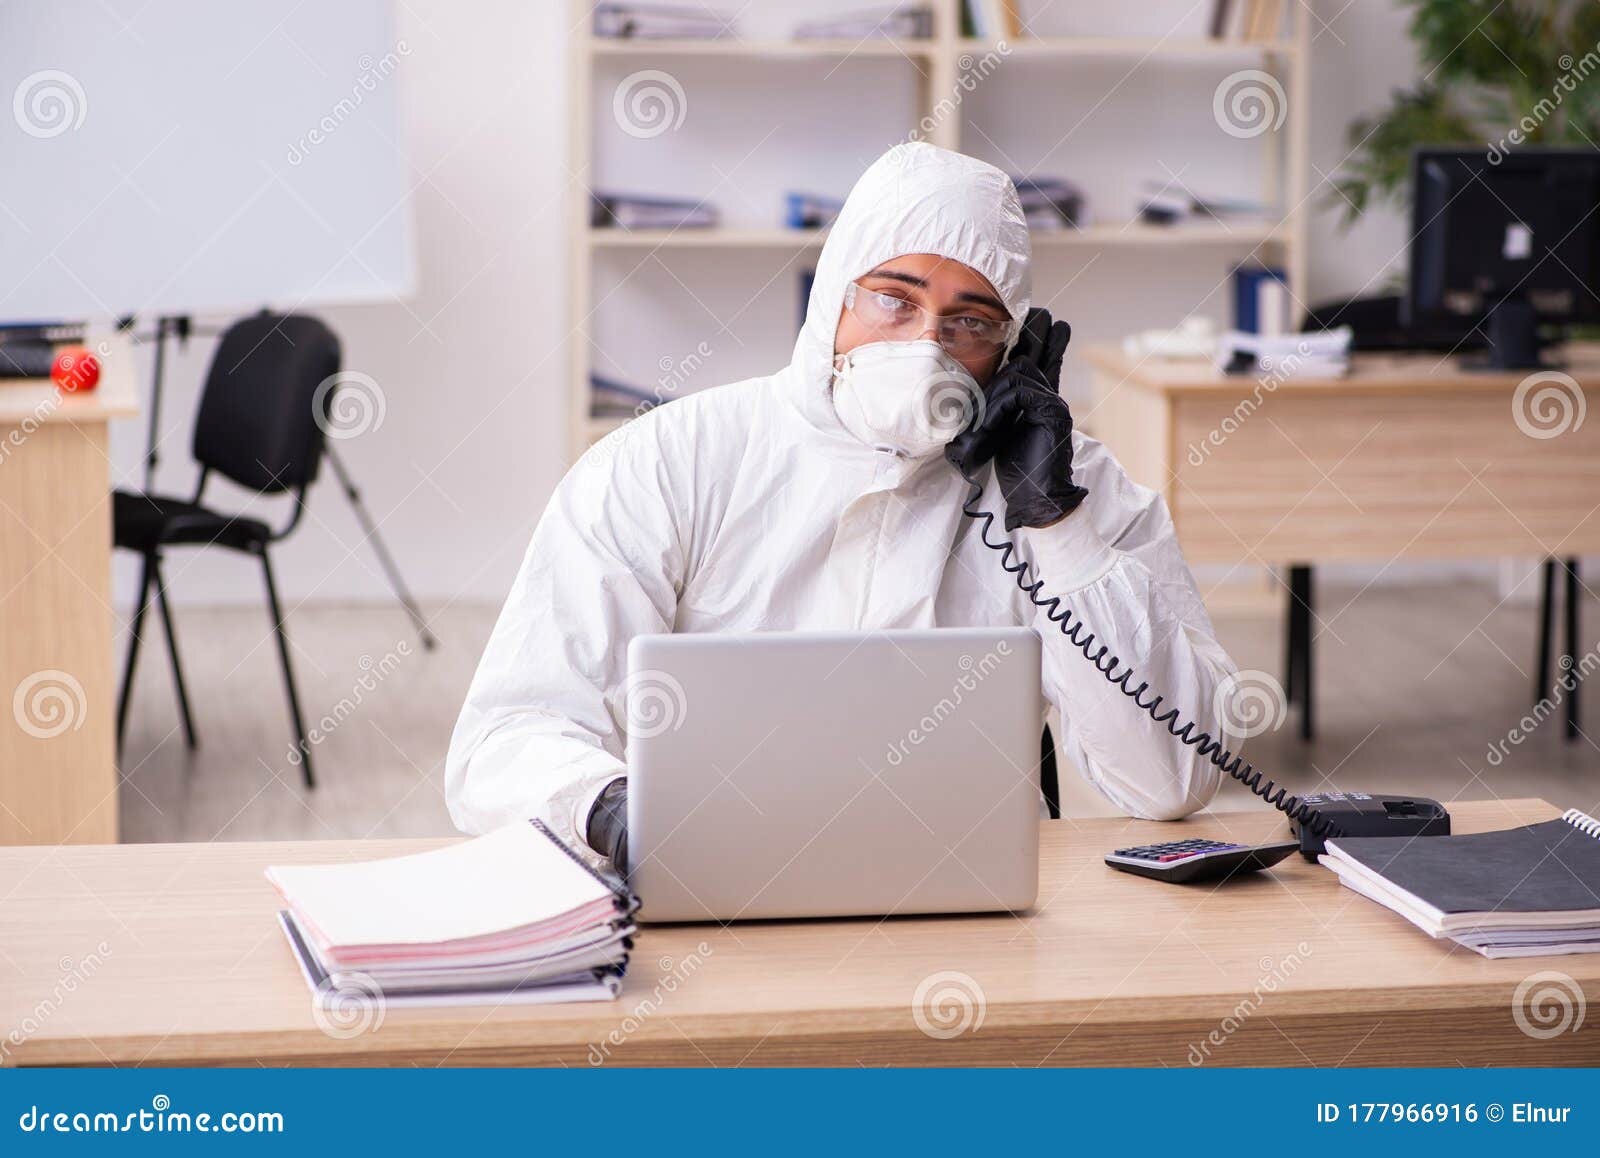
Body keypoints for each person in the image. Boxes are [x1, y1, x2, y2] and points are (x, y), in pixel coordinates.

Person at [446, 142, 1236, 868]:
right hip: (713, 882)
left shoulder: (1066, 483)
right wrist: (620, 813)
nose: (926, 345)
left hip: (971, 904)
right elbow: (507, 737)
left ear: (1011, 349)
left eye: (968, 322)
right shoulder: (668, 460)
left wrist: (1059, 527)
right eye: (894, 300)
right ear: (833, 299)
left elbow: (1171, 781)